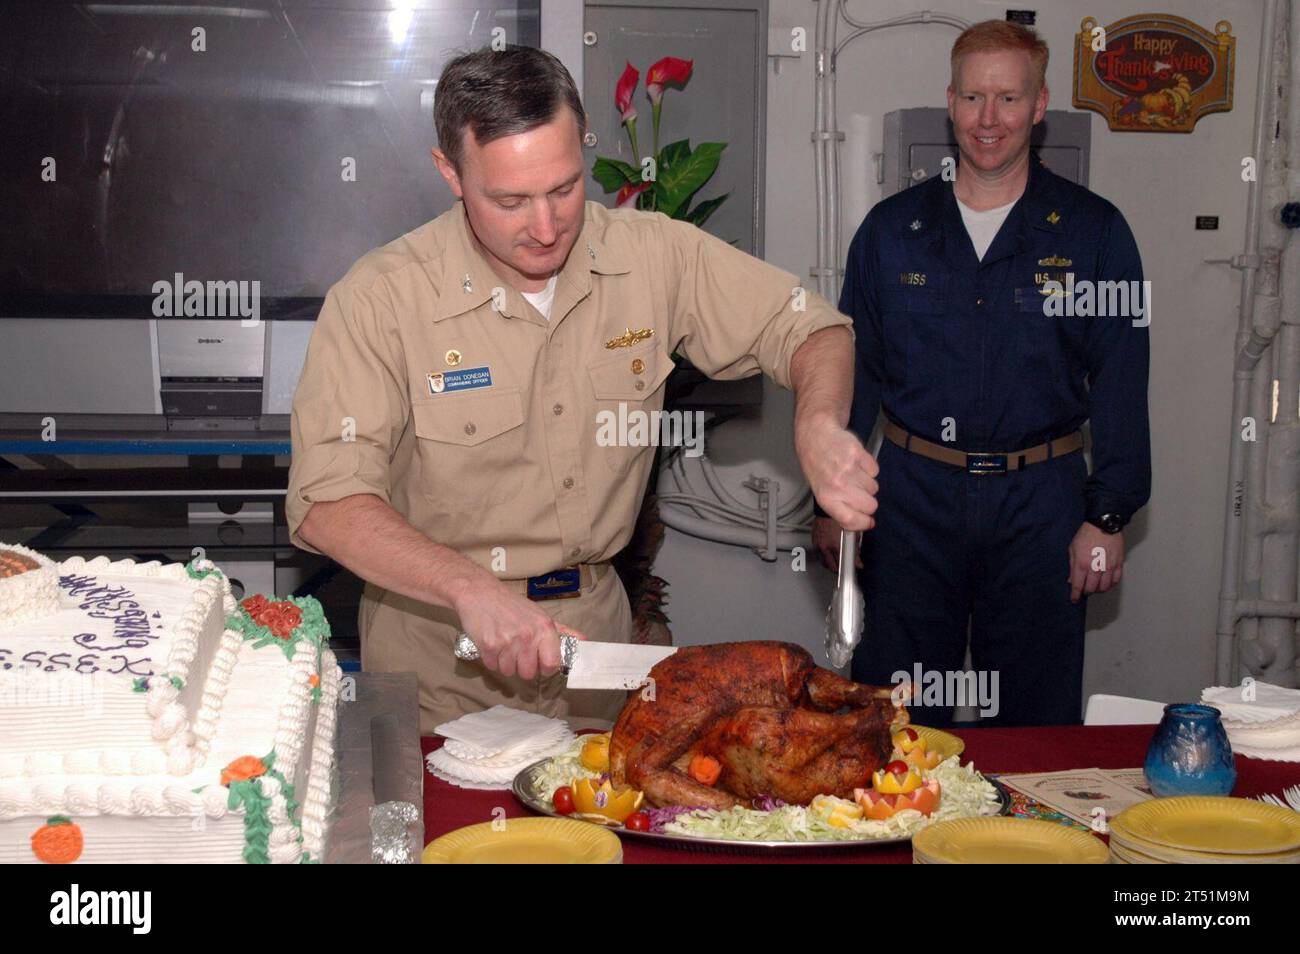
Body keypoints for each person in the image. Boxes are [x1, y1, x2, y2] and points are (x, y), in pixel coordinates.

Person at [287, 45, 878, 732]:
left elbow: (812, 329)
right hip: (441, 668)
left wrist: (817, 426)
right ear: (449, 171)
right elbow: (327, 502)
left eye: (564, 188)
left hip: (598, 661)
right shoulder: (381, 299)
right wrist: (467, 586)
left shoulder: (652, 255)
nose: (545, 227)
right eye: (509, 200)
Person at [813, 20, 1150, 726]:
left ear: (1038, 106)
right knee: (896, 718)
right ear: (950, 103)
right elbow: (855, 372)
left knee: (1032, 720)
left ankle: (1022, 835)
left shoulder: (1093, 232)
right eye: (972, 98)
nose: (987, 119)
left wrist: (1107, 515)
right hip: (909, 502)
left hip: (1042, 505)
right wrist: (830, 503)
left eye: (1006, 98)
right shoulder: (890, 230)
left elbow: (1121, 378)